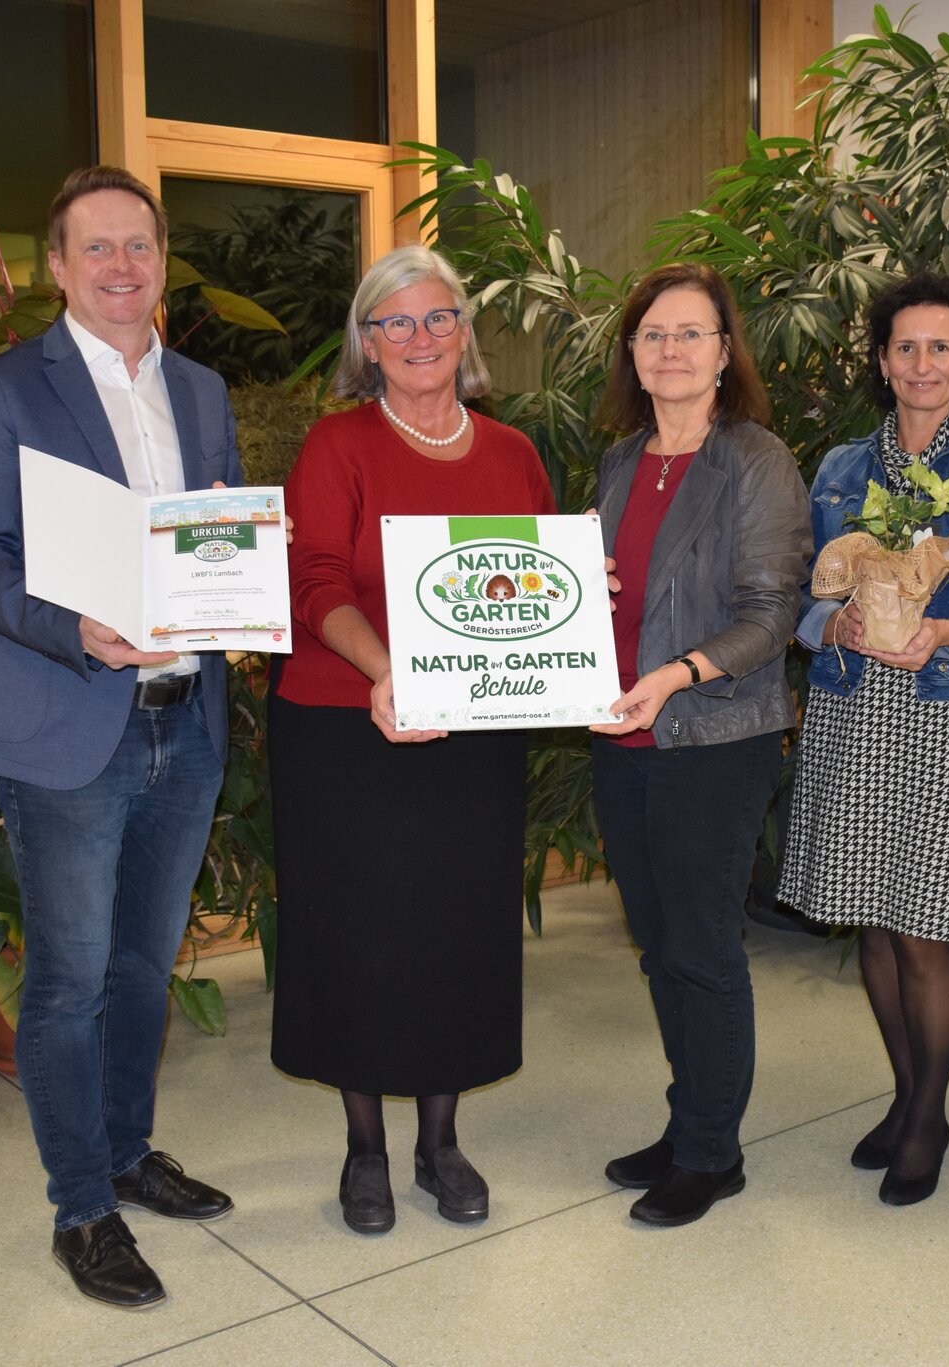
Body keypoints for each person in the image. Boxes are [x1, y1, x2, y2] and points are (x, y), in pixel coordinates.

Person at [0, 166, 244, 1309]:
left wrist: (244, 584)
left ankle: (125, 1150)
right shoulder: (2, 388)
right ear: (58, 267)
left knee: (142, 967)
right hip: (69, 726)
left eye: (139, 246)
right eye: (97, 248)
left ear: (162, 263)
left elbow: (215, 530)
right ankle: (81, 1207)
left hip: (185, 723)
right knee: (67, 982)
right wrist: (73, 628)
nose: (122, 266)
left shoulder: (201, 388)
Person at [269, 244, 554, 1237]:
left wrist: (577, 592)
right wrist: (386, 670)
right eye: (395, 321)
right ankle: (365, 1148)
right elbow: (314, 581)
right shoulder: (337, 444)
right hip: (347, 723)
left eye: (438, 317)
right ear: (369, 342)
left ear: (465, 332)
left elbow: (534, 584)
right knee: (358, 934)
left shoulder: (513, 453)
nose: (419, 337)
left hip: (473, 732)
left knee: (458, 929)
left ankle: (440, 1141)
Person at [777, 274, 949, 1206]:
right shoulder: (839, 469)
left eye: (940, 347)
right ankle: (903, 1094)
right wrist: (832, 626)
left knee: (926, 928)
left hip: (948, 710)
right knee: (875, 920)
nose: (922, 364)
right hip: (853, 708)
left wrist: (946, 631)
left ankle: (929, 1115)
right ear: (882, 361)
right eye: (905, 347)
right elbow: (800, 595)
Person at [588, 262, 811, 1227]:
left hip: (712, 735)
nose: (670, 349)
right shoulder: (619, 461)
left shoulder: (756, 461)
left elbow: (771, 613)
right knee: (657, 944)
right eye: (653, 334)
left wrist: (677, 673)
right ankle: (688, 1125)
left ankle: (714, 1153)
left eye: (691, 333)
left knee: (703, 947)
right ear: (632, 354)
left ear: (725, 353)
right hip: (621, 733)